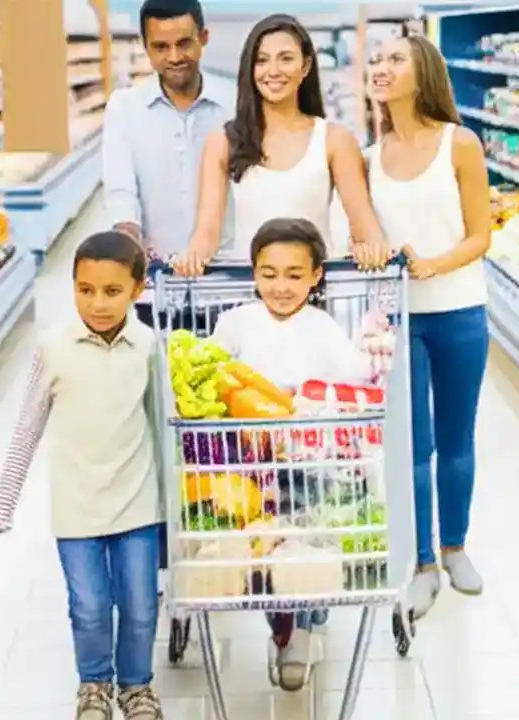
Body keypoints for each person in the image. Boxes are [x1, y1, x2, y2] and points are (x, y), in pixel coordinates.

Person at [0, 231, 166, 720]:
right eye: (85, 290)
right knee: (88, 605)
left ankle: (136, 687)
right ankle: (94, 685)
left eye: (112, 291)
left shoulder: (149, 346)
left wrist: (175, 503)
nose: (98, 302)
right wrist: (5, 500)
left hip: (137, 501)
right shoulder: (54, 347)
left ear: (137, 289)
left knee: (140, 606)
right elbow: (29, 423)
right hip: (77, 505)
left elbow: (159, 420)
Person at [209, 218, 370, 691]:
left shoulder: (322, 328)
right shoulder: (235, 322)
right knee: (264, 546)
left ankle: (302, 628)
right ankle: (282, 622)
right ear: (253, 273)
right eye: (269, 273)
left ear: (317, 276)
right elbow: (215, 376)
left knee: (308, 541)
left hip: (307, 461)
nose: (281, 287)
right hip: (247, 464)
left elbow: (353, 381)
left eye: (295, 275)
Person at [366, 36, 492, 619]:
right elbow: (365, 234)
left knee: (457, 437)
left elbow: (480, 235)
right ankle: (420, 562)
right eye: (376, 61)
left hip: (461, 309)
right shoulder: (372, 156)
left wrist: (433, 264)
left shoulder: (459, 145)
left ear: (424, 72)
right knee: (414, 442)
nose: (381, 68)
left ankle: (455, 547)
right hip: (400, 318)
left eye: (394, 59)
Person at [175, 13, 389, 276]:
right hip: (247, 292)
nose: (273, 71)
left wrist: (372, 248)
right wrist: (193, 255)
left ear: (306, 66)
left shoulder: (334, 139)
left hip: (313, 293)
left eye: (286, 59)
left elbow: (364, 225)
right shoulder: (223, 141)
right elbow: (206, 232)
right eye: (262, 61)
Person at [101, 0, 235, 323]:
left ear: (204, 37)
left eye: (184, 43)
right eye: (161, 46)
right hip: (157, 289)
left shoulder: (236, 102)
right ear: (145, 48)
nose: (174, 57)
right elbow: (121, 193)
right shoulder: (124, 109)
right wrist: (129, 242)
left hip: (232, 284)